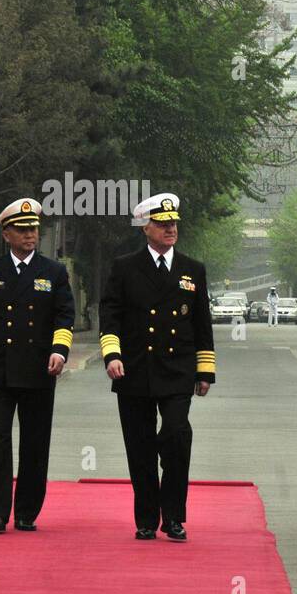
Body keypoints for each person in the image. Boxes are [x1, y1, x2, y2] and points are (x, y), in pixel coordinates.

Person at [99, 192, 215, 541]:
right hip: (134, 368)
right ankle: (146, 518)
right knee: (140, 445)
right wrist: (112, 355)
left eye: (174, 224)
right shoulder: (125, 267)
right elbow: (111, 316)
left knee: (177, 436)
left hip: (177, 370)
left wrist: (204, 369)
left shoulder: (192, 270)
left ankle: (174, 515)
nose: (170, 229)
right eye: (163, 224)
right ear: (145, 227)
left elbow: (201, 322)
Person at [0, 197, 75, 534]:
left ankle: (26, 511)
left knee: (34, 441)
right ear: (6, 234)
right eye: (23, 230)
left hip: (39, 369)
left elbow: (64, 315)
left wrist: (60, 350)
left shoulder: (52, 272)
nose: (30, 236)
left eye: (34, 230)